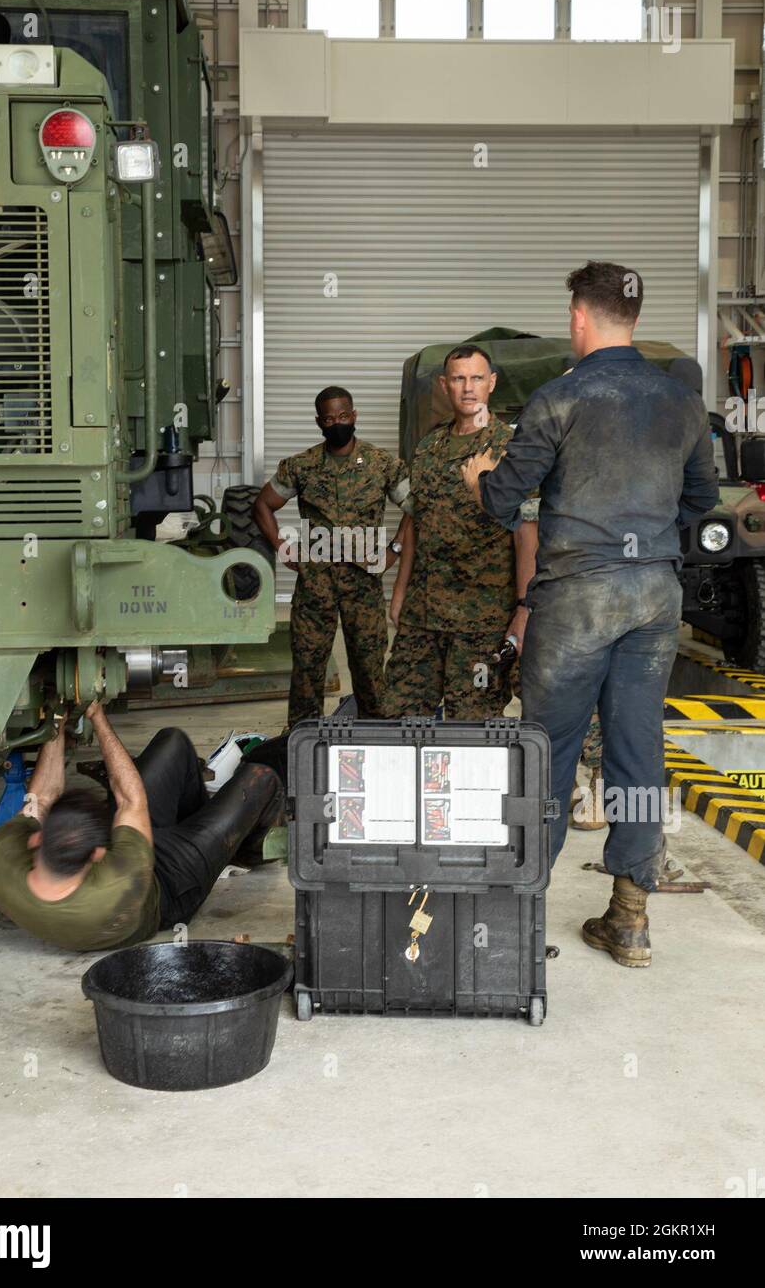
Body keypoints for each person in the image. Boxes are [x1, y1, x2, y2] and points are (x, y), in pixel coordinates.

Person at [461, 260, 719, 967]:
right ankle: (630, 916)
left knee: (547, 750)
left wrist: (480, 477)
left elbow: (503, 500)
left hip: (578, 596)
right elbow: (701, 500)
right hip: (654, 594)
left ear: (579, 317)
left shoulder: (559, 397)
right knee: (638, 748)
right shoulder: (681, 402)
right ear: (631, 318)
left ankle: (518, 919)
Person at [0, 703, 283, 952]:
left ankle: (205, 835)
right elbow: (130, 799)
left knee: (173, 741)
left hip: (134, 848)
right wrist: (96, 715)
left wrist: (57, 720)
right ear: (100, 854)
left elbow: (42, 798)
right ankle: (243, 852)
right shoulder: (118, 879)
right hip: (169, 887)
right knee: (261, 776)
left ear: (36, 839)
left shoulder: (1, 857)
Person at [383, 346, 538, 719]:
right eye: (458, 378)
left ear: (492, 383)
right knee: (397, 715)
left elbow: (527, 534)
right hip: (423, 614)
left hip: (482, 620)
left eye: (477, 378)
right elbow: (417, 519)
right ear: (444, 384)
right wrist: (400, 592)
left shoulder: (512, 449)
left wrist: (524, 608)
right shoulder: (429, 446)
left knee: (473, 725)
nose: (468, 388)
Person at [253, 386, 410, 727]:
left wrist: (395, 549)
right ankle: (301, 738)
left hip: (363, 583)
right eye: (329, 419)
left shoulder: (382, 464)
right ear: (319, 422)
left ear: (354, 416)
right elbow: (263, 505)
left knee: (369, 668)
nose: (337, 423)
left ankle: (374, 737)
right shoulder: (302, 466)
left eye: (343, 416)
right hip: (316, 585)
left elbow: (416, 508)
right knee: (308, 668)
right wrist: (282, 545)